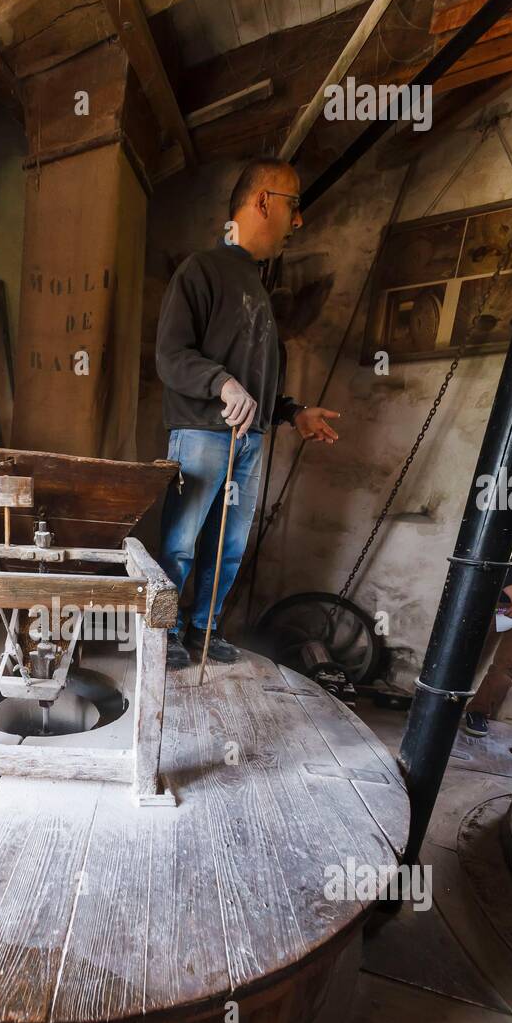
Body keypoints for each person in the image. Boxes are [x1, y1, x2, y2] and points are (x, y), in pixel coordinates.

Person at [156, 156, 340, 668]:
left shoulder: (259, 287)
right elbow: (170, 357)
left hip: (251, 439)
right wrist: (222, 383)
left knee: (229, 545)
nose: (297, 221)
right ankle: (164, 632)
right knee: (182, 543)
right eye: (293, 205)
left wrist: (293, 411)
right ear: (263, 201)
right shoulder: (202, 270)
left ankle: (202, 629)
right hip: (202, 434)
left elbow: (258, 381)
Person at [465, 581, 512, 735]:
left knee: (507, 667)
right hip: (494, 601)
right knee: (465, 655)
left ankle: (479, 712)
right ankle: (438, 701)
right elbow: (504, 563)